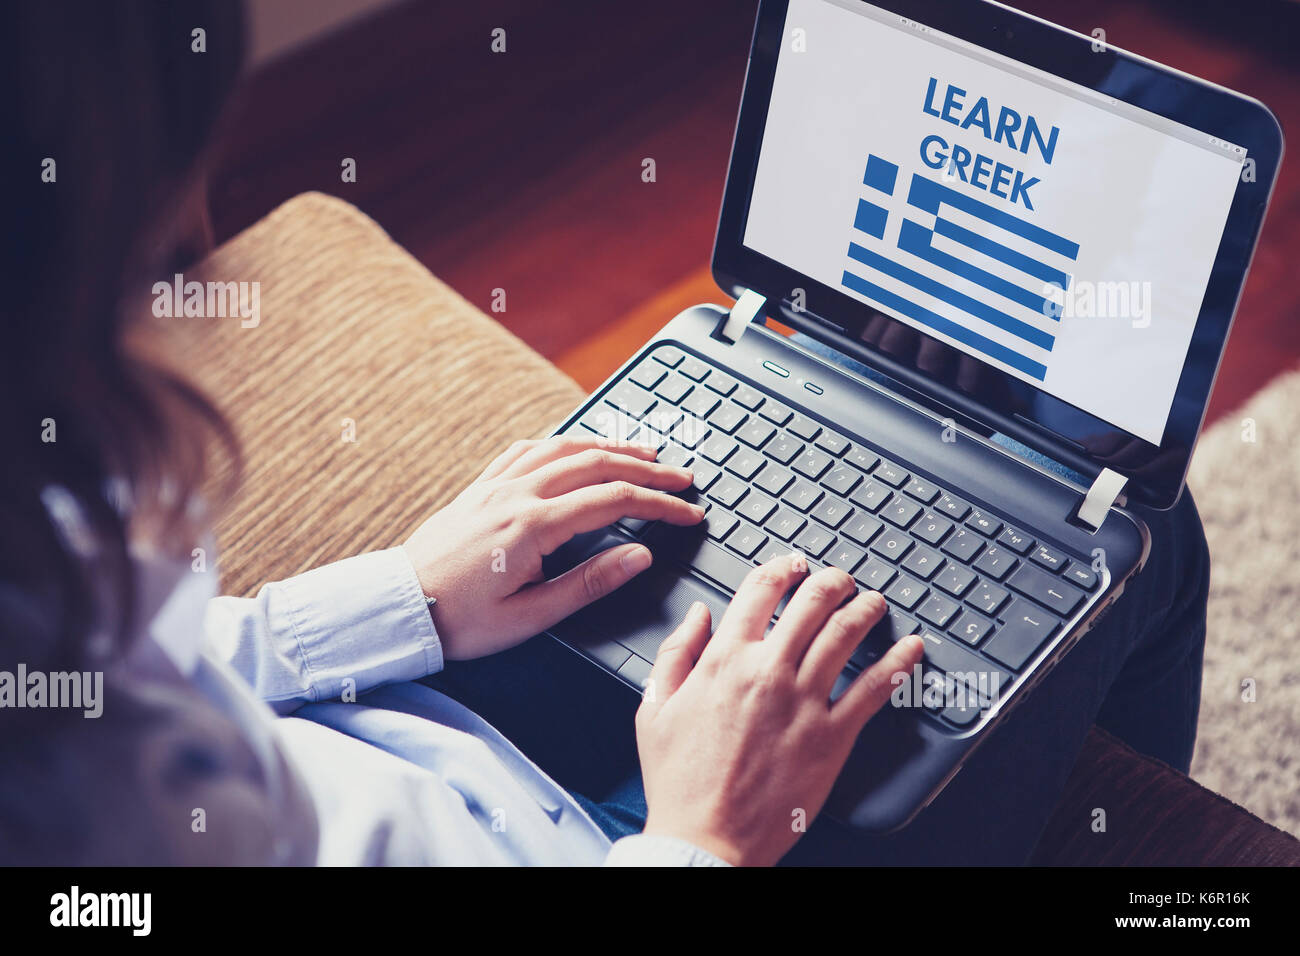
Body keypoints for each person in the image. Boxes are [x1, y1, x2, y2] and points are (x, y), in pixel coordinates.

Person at [0, 2, 1210, 866]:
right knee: (1148, 528)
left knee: (1053, 501)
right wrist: (701, 834)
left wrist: (399, 596)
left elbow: (153, 660)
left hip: (440, 739)